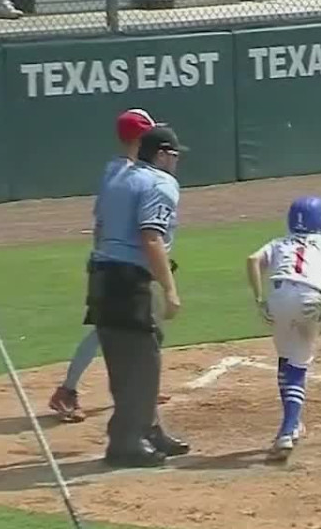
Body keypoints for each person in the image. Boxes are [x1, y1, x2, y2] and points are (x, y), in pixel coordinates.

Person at [48, 109, 175, 423]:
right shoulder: (123, 173)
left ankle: (142, 386)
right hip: (119, 267)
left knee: (148, 326)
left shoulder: (125, 170)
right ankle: (67, 390)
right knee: (105, 332)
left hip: (127, 265)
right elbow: (110, 223)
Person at [86, 124, 190, 467]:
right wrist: (170, 289)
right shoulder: (161, 184)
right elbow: (151, 237)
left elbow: (99, 225)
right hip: (127, 281)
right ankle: (127, 443)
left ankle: (148, 429)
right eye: (173, 156)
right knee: (142, 360)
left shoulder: (117, 173)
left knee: (132, 352)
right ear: (161, 155)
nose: (176, 163)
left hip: (102, 275)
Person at [245, 196, 321, 461]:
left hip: (278, 297)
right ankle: (288, 427)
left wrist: (260, 300)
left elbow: (252, 260)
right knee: (299, 363)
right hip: (309, 299)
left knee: (285, 359)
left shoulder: (279, 242)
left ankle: (291, 425)